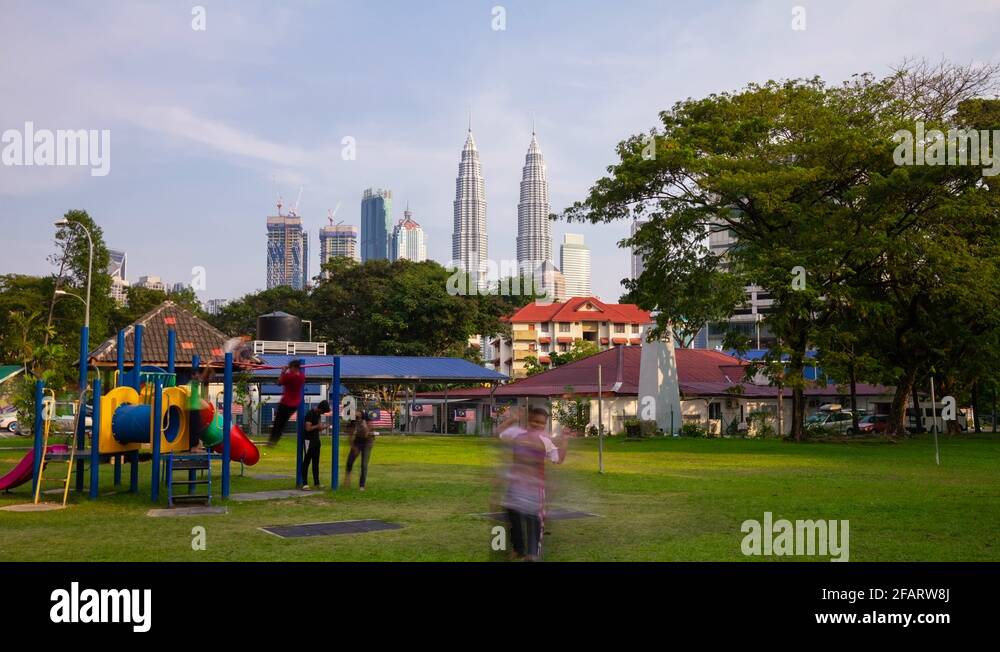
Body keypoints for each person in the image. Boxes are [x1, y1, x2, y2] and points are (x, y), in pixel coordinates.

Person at [498, 406, 567, 561]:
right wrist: (513, 419)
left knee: (533, 519)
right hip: (515, 485)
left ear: (545, 424)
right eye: (535, 421)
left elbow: (559, 459)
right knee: (512, 515)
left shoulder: (545, 441)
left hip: (534, 488)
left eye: (541, 423)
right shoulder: (517, 433)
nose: (537, 425)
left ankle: (532, 553)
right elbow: (499, 432)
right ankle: (518, 548)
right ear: (529, 421)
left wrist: (565, 440)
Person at [267, 359, 305, 446]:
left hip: (286, 403)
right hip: (294, 404)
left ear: (294, 367)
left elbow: (279, 382)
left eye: (291, 368)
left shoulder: (289, 376)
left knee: (277, 422)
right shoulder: (302, 376)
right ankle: (274, 440)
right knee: (282, 423)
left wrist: (283, 371)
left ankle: (272, 440)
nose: (290, 369)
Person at [301, 400, 331, 490]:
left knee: (316, 462)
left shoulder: (318, 414)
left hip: (316, 440)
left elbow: (318, 428)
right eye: (323, 411)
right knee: (306, 461)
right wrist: (317, 426)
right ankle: (305, 483)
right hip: (308, 441)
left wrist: (324, 427)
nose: (323, 413)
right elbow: (308, 428)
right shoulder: (310, 414)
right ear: (320, 409)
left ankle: (317, 483)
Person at [344, 411, 376, 490]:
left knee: (364, 464)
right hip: (358, 440)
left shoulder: (366, 419)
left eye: (358, 417)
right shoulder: (352, 422)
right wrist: (354, 448)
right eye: (355, 418)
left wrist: (364, 424)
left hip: (368, 441)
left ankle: (362, 485)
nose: (357, 419)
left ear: (361, 416)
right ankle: (347, 481)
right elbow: (350, 437)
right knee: (350, 461)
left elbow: (366, 434)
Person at [187, 364, 212, 452]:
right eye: (197, 374)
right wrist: (207, 366)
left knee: (196, 428)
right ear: (193, 375)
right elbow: (202, 377)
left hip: (193, 409)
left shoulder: (191, 384)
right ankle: (194, 448)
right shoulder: (193, 383)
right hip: (193, 410)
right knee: (195, 428)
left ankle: (195, 446)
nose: (198, 375)